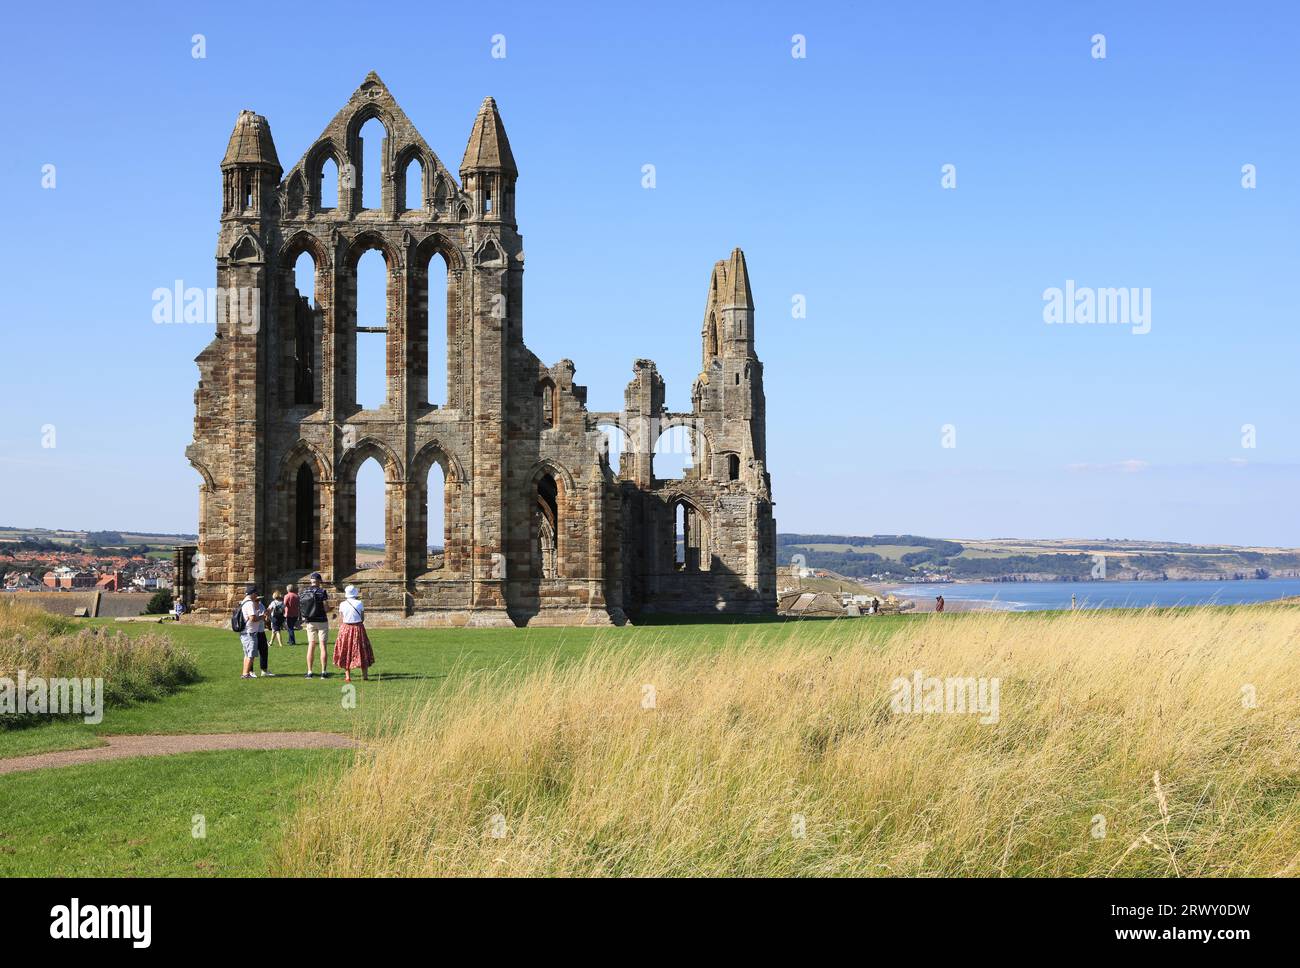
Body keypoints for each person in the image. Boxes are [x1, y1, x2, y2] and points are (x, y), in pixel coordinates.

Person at [333, 585, 375, 683]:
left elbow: (341, 618)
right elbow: (362, 617)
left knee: (346, 650)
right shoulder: (359, 603)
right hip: (358, 628)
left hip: (345, 628)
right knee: (362, 650)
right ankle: (365, 676)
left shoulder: (342, 604)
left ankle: (347, 676)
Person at [300, 572, 331, 679]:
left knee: (311, 646)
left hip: (310, 621)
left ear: (311, 581)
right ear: (319, 581)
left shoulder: (304, 592)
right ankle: (323, 672)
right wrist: (331, 610)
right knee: (322, 645)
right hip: (322, 621)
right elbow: (326, 608)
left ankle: (309, 672)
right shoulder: (322, 592)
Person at [238, 585, 265, 680]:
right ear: (253, 593)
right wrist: (262, 617)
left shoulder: (244, 602)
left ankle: (245, 673)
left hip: (245, 632)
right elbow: (252, 618)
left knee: (247, 654)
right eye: (256, 594)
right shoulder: (249, 603)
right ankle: (245, 674)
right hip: (250, 632)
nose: (256, 596)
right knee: (251, 655)